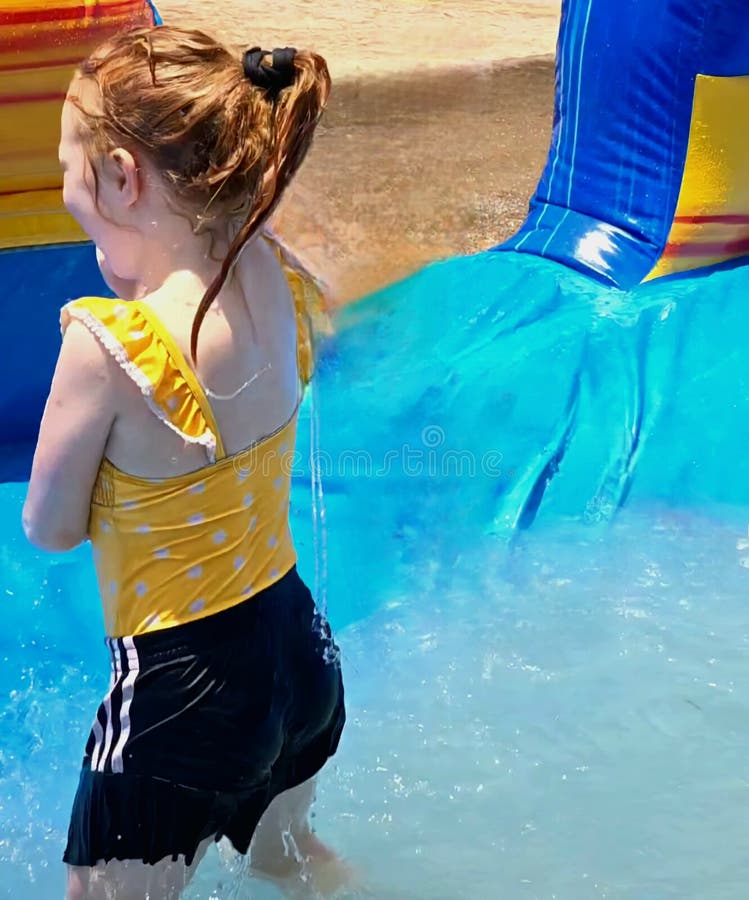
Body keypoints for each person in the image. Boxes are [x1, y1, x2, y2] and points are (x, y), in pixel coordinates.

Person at [22, 24, 347, 900]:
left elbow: (48, 529)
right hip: (299, 653)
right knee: (292, 867)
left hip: (178, 697)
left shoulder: (108, 344)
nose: (64, 189)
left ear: (123, 177)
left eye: (67, 168)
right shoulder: (279, 276)